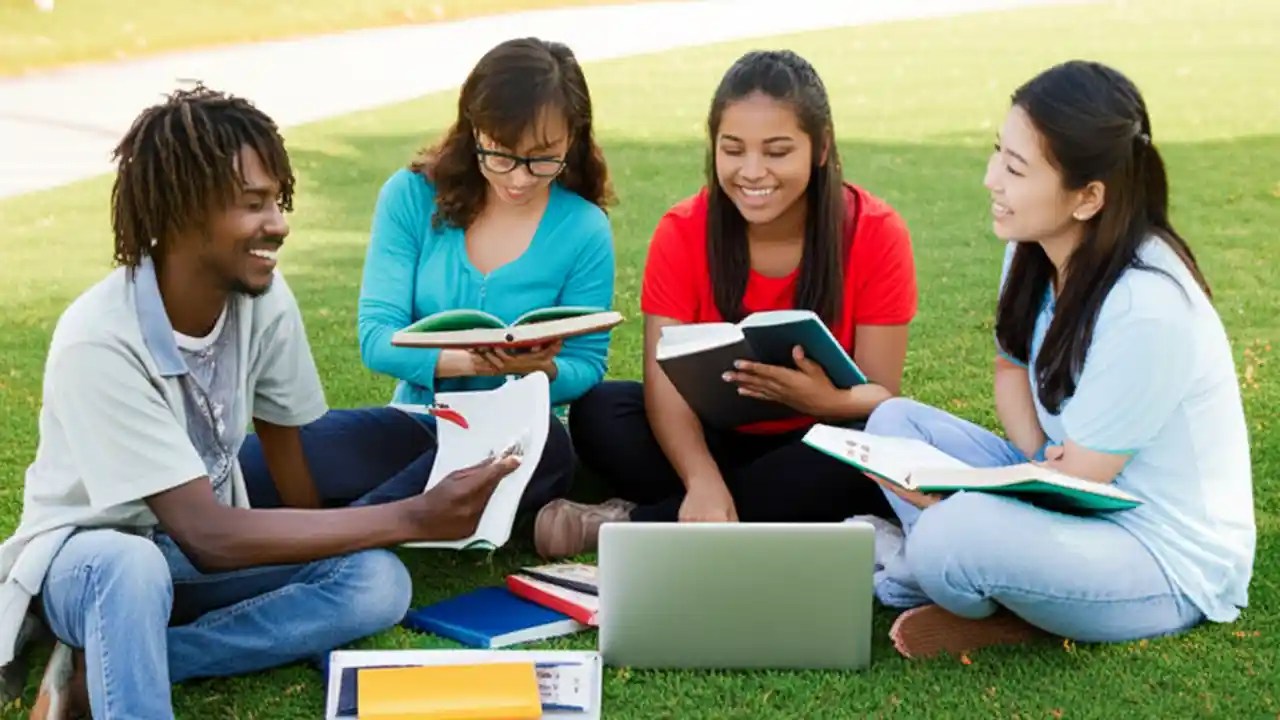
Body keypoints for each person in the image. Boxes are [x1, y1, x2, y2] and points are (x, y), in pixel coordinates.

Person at [0, 85, 525, 720]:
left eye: (277, 201)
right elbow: (207, 534)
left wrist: (330, 554)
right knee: (131, 565)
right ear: (181, 212)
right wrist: (415, 516)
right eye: (253, 204)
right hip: (91, 565)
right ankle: (113, 655)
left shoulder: (263, 299)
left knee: (375, 580)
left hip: (191, 565)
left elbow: (288, 457)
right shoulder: (101, 340)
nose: (277, 224)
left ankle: (112, 668)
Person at [861, 60, 1255, 660]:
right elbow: (1010, 370)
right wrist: (1027, 458)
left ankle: (980, 588)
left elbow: (1081, 484)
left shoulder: (1146, 305)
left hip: (1159, 553)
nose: (992, 178)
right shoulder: (1031, 249)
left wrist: (961, 500)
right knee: (892, 426)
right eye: (999, 152)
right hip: (1063, 486)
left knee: (949, 534)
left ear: (1088, 197)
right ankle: (1008, 587)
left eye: (1016, 168)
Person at [532, 50, 919, 559]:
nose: (752, 172)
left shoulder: (875, 232)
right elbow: (664, 388)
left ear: (820, 148)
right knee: (601, 412)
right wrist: (701, 477)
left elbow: (879, 395)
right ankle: (732, 506)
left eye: (777, 151)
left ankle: (635, 522)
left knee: (866, 452)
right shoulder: (683, 230)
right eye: (733, 149)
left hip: (819, 436)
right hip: (710, 433)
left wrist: (823, 402)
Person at [356, 37, 617, 517]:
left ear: (573, 139)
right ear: (473, 128)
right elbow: (376, 337)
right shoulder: (411, 196)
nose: (518, 178)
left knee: (537, 456)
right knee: (316, 448)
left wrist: (536, 369)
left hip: (519, 434)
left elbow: (587, 366)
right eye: (500, 153)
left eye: (543, 157)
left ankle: (358, 523)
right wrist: (472, 363)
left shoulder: (583, 228)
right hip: (419, 419)